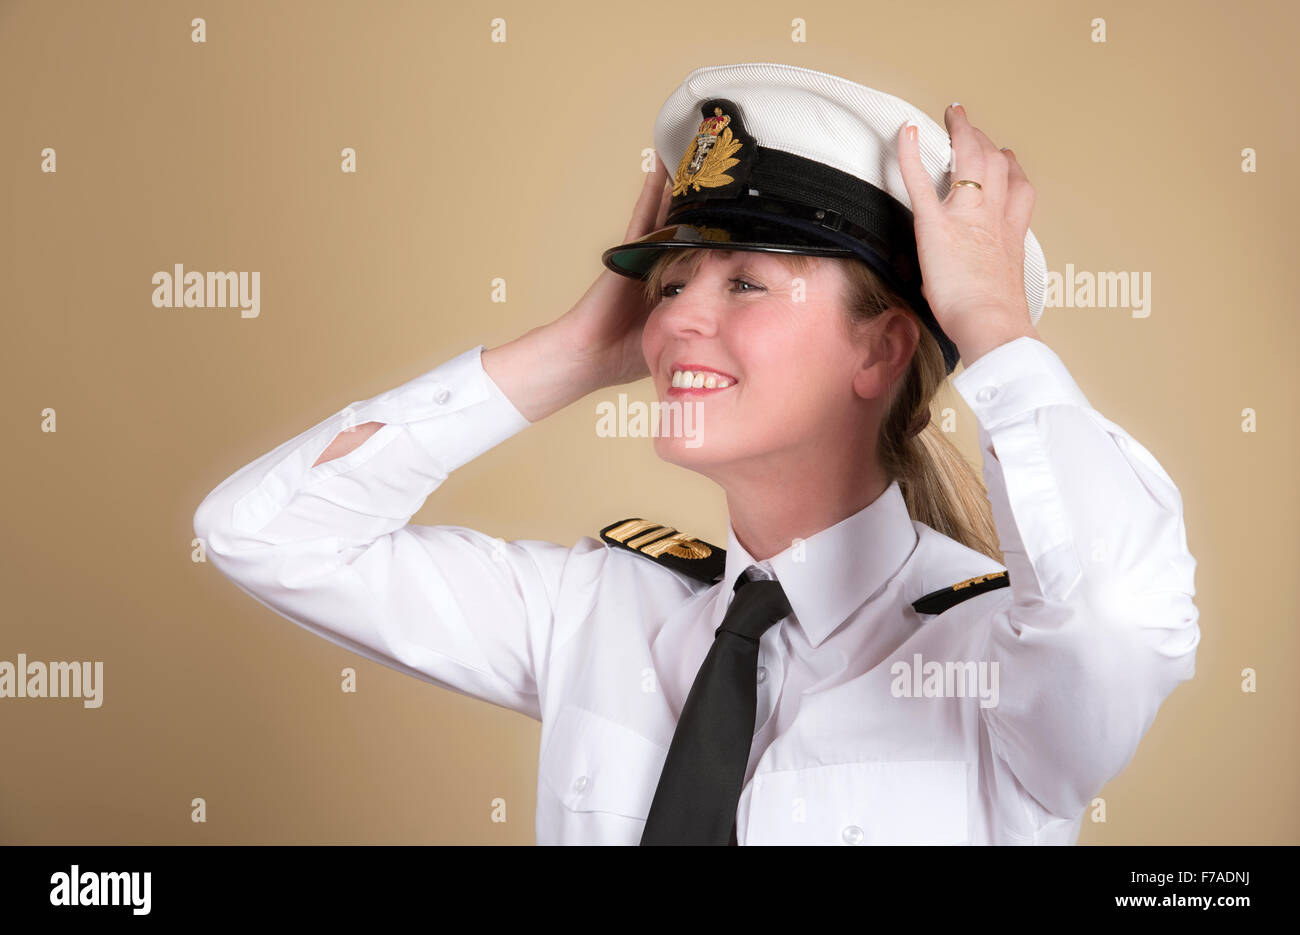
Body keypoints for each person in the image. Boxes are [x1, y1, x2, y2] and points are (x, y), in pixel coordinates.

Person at [193, 63, 1200, 845]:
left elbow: (1115, 609)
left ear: (882, 346)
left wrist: (992, 329)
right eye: (671, 285)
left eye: (747, 284)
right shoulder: (603, 611)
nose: (678, 321)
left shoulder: (999, 662)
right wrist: (572, 355)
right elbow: (264, 538)